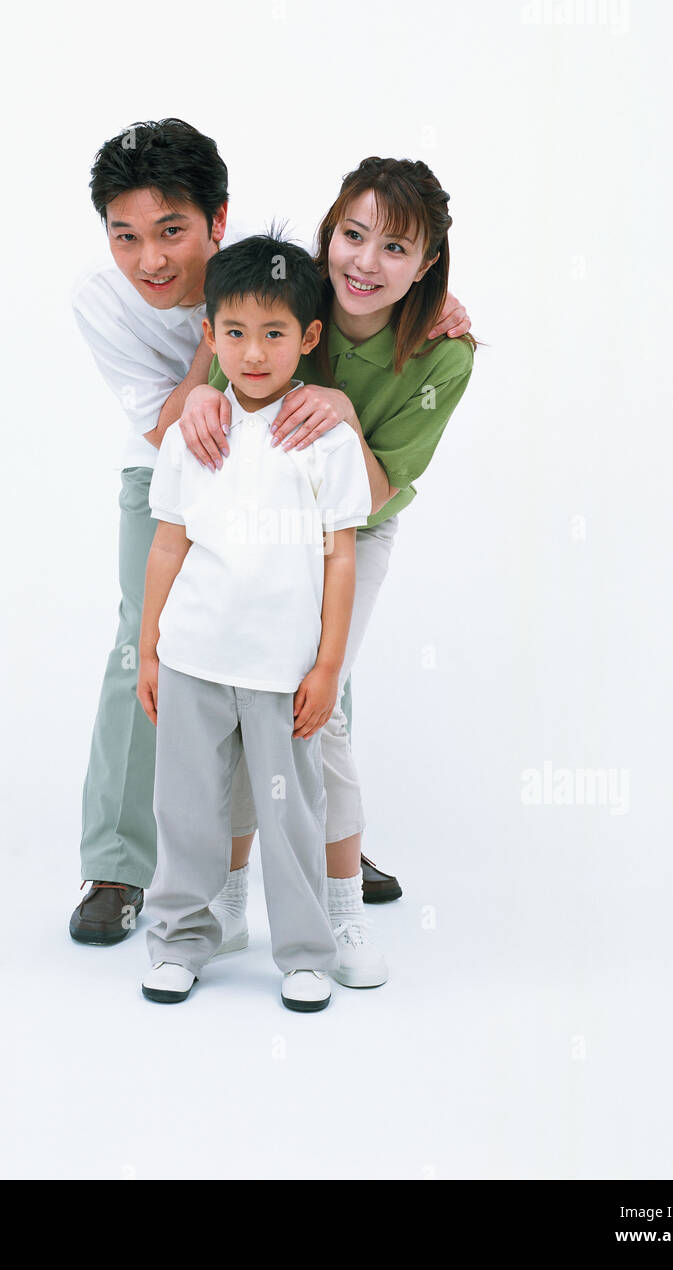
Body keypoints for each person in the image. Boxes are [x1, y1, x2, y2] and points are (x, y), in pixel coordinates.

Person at [68, 119, 470, 950]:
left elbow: (372, 474)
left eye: (172, 231)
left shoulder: (340, 301)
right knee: (146, 650)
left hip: (316, 498)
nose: (151, 258)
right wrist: (210, 370)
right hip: (189, 474)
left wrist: (421, 313)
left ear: (218, 222)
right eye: (127, 235)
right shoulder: (130, 300)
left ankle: (328, 852)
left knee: (313, 663)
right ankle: (118, 862)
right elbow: (172, 433)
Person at [178, 156, 479, 988]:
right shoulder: (288, 289)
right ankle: (234, 903)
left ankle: (340, 915)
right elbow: (219, 376)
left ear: (427, 267)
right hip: (252, 527)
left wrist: (344, 409)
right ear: (328, 233)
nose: (365, 262)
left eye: (395, 249)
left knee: (319, 716)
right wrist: (203, 395)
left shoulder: (443, 357)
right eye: (353, 235)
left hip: (351, 535)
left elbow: (377, 495)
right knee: (239, 700)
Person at [137, 230, 371, 1010]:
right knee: (187, 811)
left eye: (275, 333)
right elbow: (167, 545)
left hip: (282, 669)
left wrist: (328, 666)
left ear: (308, 337)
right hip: (194, 658)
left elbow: (342, 558)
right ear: (210, 336)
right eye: (234, 332)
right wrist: (148, 654)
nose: (254, 352)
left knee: (292, 815)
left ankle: (307, 952)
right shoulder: (194, 432)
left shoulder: (326, 440)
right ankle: (178, 940)